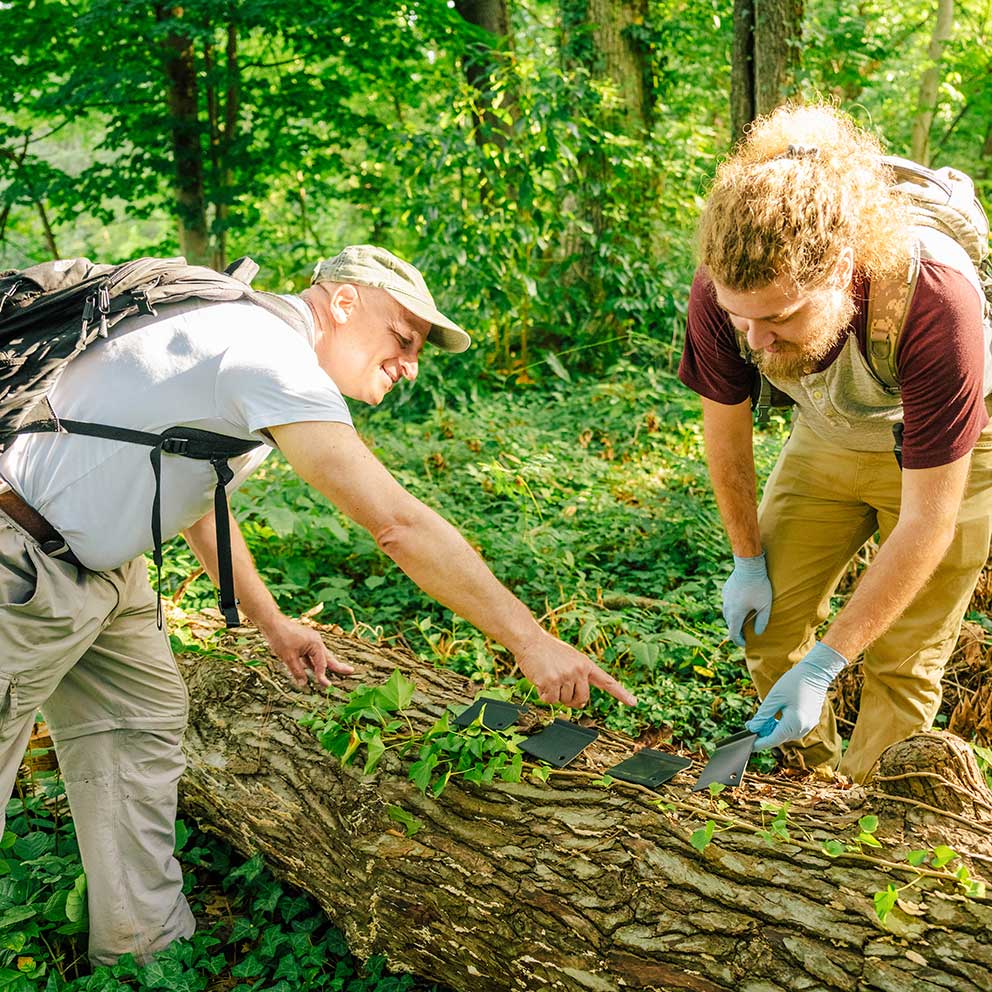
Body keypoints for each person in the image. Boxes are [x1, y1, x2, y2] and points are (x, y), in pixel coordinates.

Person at [0, 244, 636, 966]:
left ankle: (144, 959)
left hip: (102, 573)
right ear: (341, 302)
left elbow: (197, 503)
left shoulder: (236, 334)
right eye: (401, 338)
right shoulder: (267, 354)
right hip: (20, 563)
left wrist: (271, 622)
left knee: (138, 735)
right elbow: (396, 525)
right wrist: (529, 640)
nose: (410, 364)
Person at [678, 104, 992, 784]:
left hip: (952, 455)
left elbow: (928, 521)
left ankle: (860, 829)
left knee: (902, 659)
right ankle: (807, 785)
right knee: (768, 627)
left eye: (780, 319)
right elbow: (726, 429)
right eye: (742, 319)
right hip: (826, 438)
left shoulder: (937, 299)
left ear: (843, 268)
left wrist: (826, 664)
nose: (755, 341)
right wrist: (745, 559)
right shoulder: (726, 285)